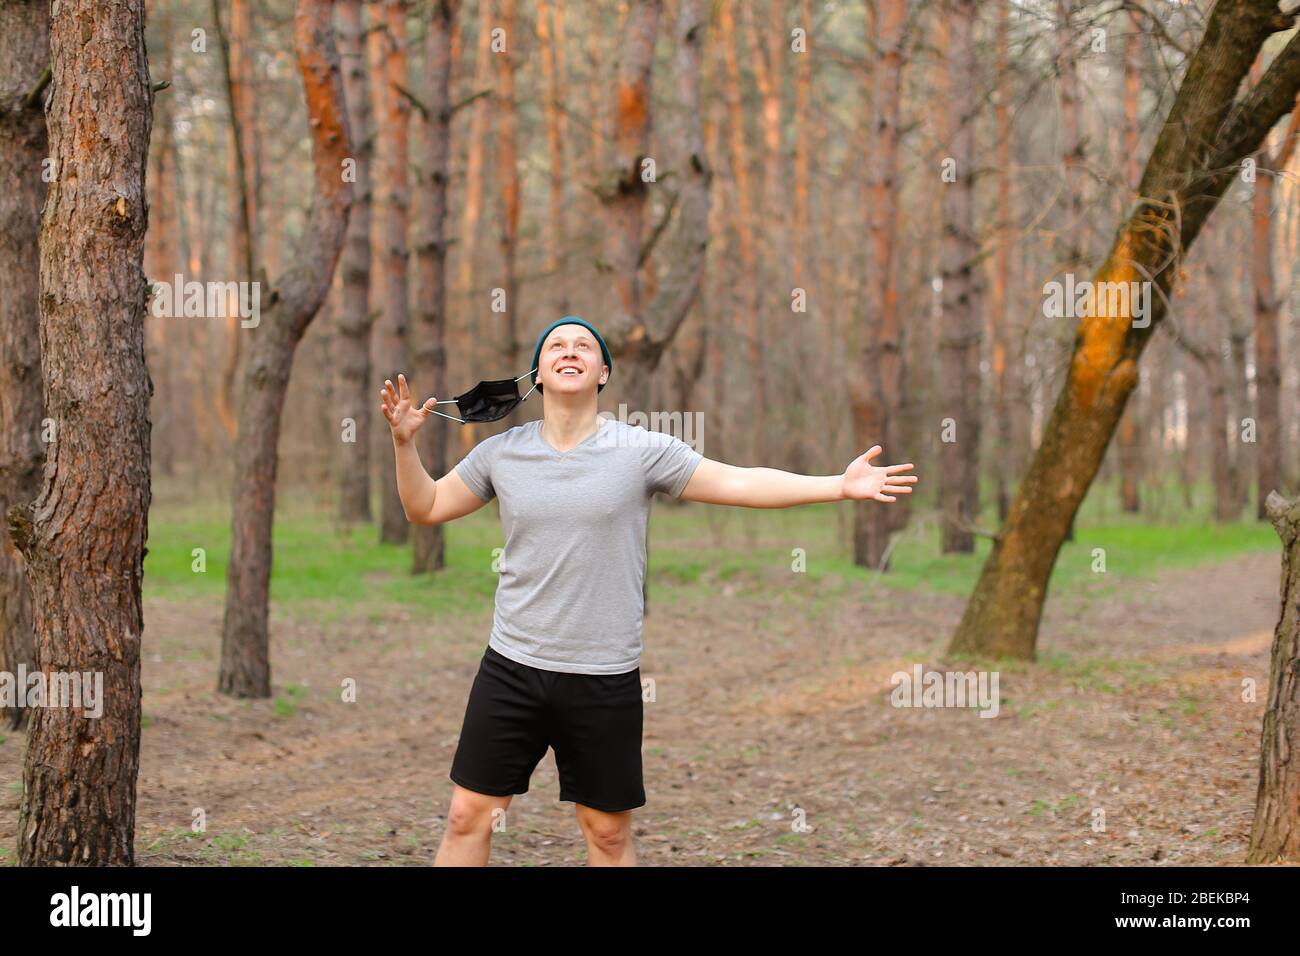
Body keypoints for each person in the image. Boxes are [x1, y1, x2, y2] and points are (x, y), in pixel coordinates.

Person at [379, 316, 918, 866]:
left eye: (584, 346)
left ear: (603, 372)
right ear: (537, 373)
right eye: (556, 346)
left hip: (603, 676)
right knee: (467, 816)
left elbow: (739, 481)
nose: (570, 351)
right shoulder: (501, 454)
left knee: (607, 835)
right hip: (512, 668)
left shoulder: (640, 451)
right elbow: (425, 507)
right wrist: (404, 445)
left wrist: (838, 486)